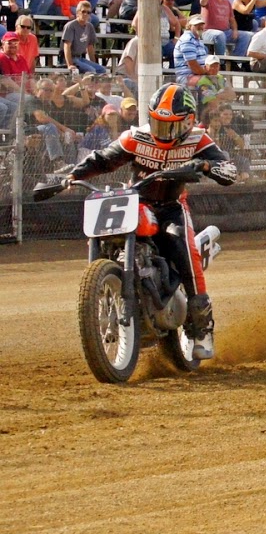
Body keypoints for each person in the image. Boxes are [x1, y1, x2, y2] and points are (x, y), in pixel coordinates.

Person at [62, 84, 238, 359]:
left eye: (169, 126)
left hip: (171, 208)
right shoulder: (136, 138)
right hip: (137, 202)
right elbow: (103, 159)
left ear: (188, 122)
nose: (161, 131)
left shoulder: (198, 140)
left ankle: (202, 328)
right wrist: (75, 175)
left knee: (183, 248)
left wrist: (205, 166)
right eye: (158, 123)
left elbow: (229, 170)